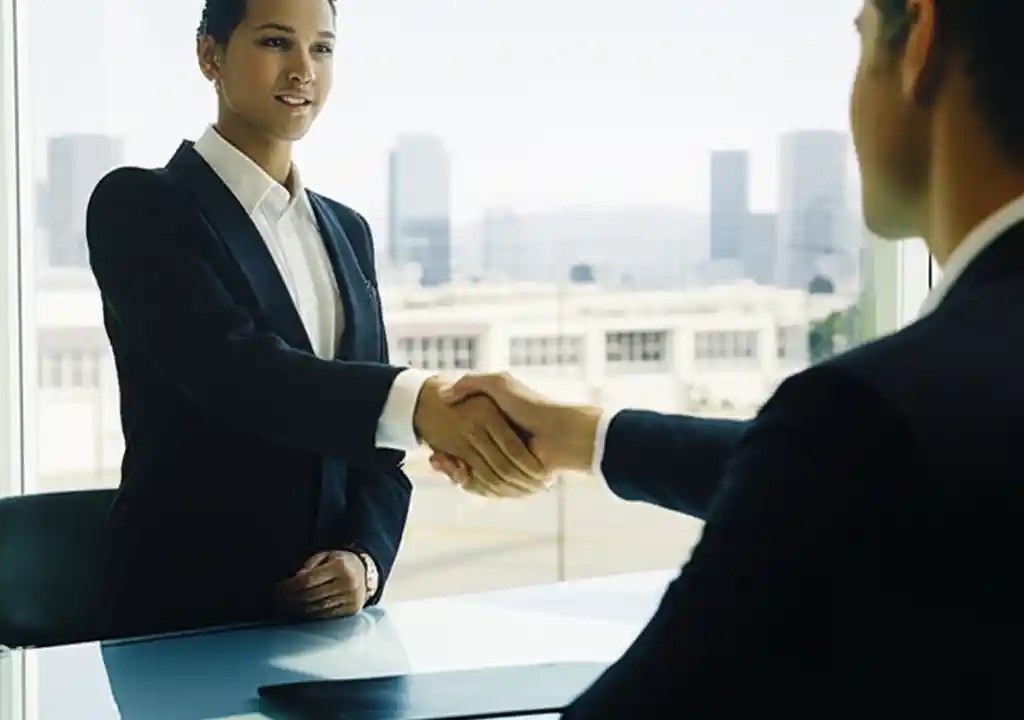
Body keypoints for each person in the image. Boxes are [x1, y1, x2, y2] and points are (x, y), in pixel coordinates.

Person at [432, 0, 1024, 715]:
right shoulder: (904, 426)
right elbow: (842, 480)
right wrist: (587, 437)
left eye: (862, 39)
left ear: (920, 40)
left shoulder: (873, 413)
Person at [85, 0, 546, 639]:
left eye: (322, 48)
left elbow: (377, 452)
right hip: (183, 619)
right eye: (276, 42)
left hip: (330, 631)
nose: (303, 69)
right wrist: (421, 403)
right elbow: (236, 372)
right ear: (210, 55)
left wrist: (364, 560)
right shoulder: (141, 206)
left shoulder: (347, 231)